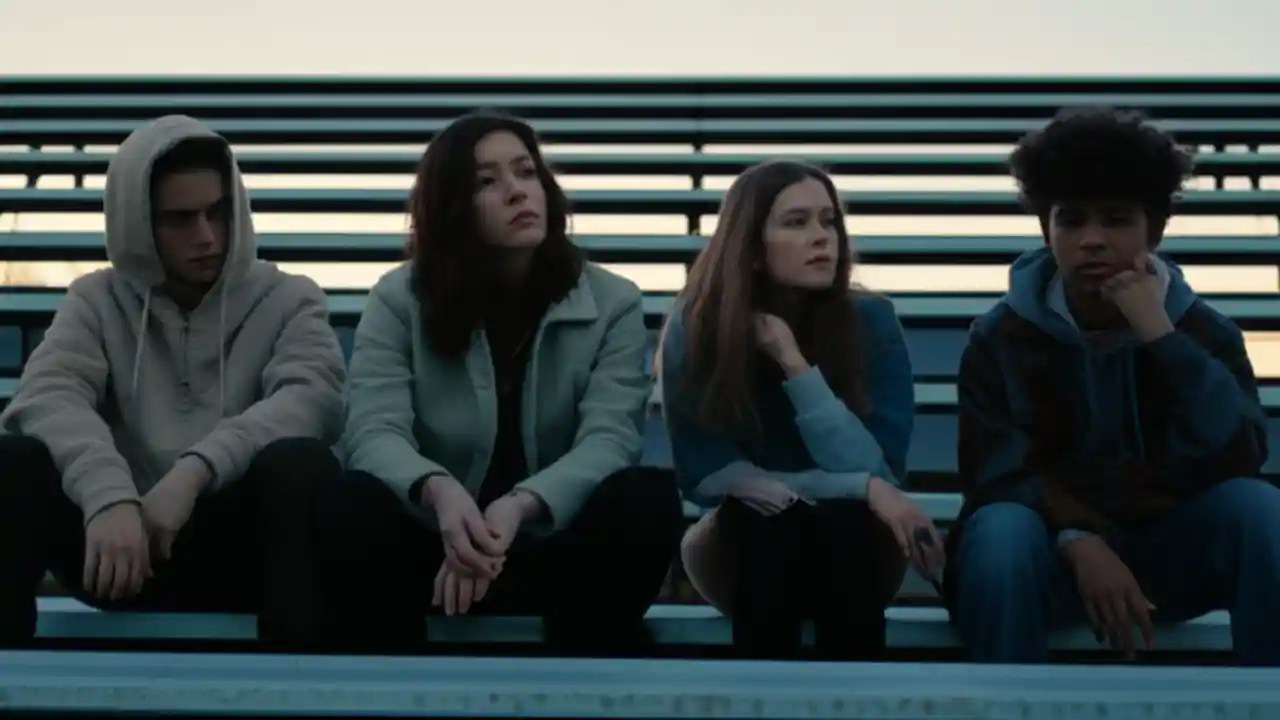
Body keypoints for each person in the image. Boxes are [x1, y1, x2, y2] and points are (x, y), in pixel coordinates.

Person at [318, 112, 683, 655]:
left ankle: (581, 670)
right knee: (347, 500)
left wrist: (515, 508)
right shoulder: (398, 299)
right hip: (431, 554)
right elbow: (373, 433)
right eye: (487, 182)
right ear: (451, 207)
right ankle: (396, 678)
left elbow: (610, 441)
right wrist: (443, 496)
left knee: (646, 496)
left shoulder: (614, 301)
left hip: (554, 554)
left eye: (526, 172)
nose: (517, 191)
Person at [946, 107, 1280, 665]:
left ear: (1155, 229)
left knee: (1260, 509)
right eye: (1071, 221)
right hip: (1047, 554)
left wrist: (1162, 338)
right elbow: (995, 473)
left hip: (1168, 553)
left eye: (1117, 220)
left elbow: (1238, 455)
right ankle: (1004, 700)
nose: (1092, 240)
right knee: (1001, 530)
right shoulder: (1000, 335)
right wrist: (1077, 538)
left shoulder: (1204, 332)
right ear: (1046, 229)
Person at [0, 115, 347, 649]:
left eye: (218, 212)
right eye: (179, 220)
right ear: (139, 224)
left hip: (244, 551)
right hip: (117, 553)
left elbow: (311, 401)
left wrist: (193, 473)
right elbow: (48, 396)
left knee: (299, 462)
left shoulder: (290, 298)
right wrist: (109, 497)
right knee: (15, 459)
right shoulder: (96, 300)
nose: (206, 236)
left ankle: (295, 680)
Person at [660, 160, 944, 659]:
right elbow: (706, 473)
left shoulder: (872, 320)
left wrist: (795, 365)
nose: (821, 237)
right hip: (745, 543)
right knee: (763, 516)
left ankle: (856, 697)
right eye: (796, 222)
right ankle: (761, 696)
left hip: (854, 542)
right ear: (750, 248)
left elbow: (876, 468)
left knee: (848, 524)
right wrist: (859, 487)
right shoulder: (698, 326)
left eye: (828, 221)